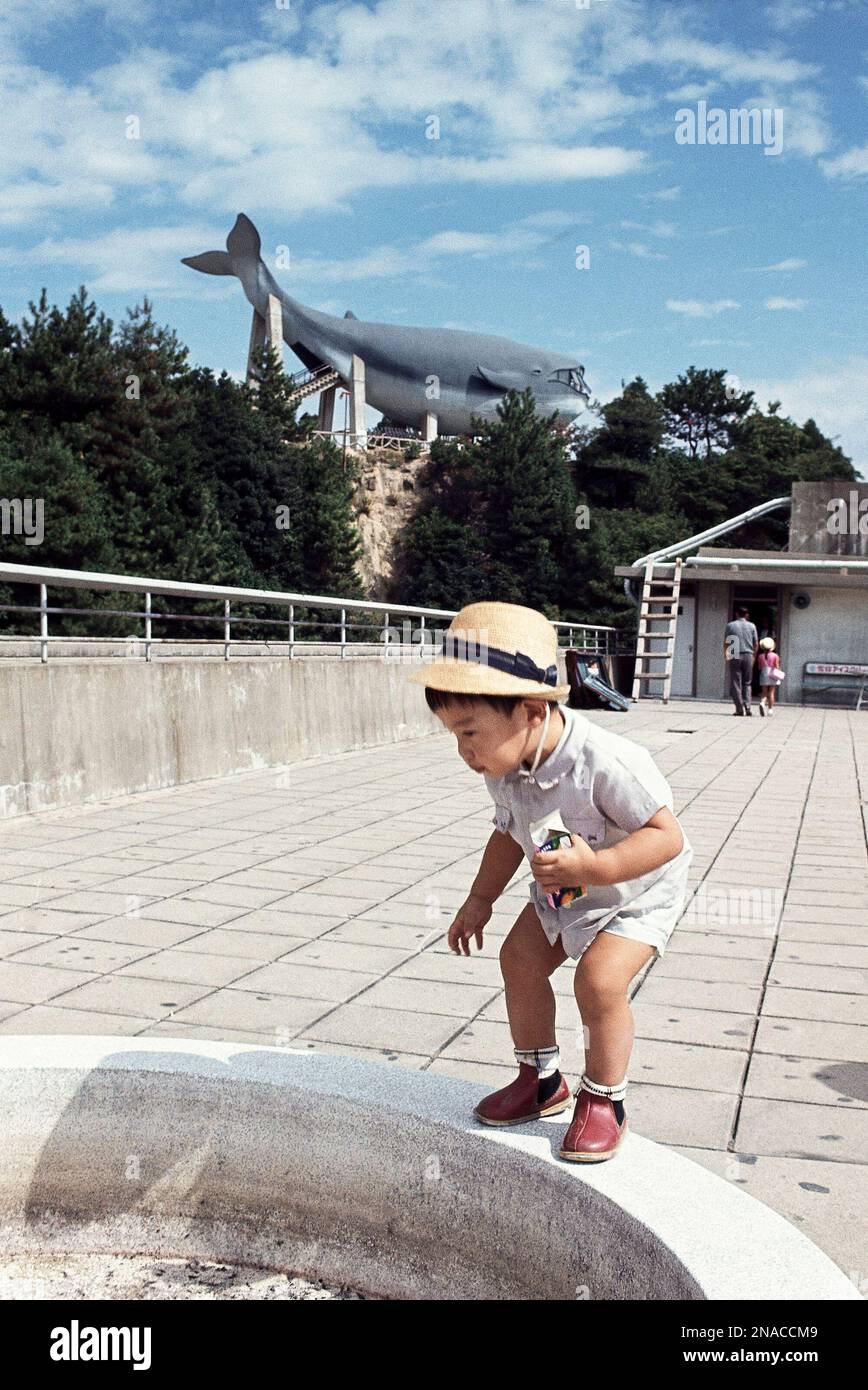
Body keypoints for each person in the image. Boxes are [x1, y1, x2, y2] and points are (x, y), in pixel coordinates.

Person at [407, 601, 693, 1163]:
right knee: (519, 959)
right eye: (453, 736)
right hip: (565, 883)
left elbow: (667, 837)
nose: (464, 752)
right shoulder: (508, 764)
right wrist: (478, 900)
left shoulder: (606, 760)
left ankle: (605, 1099)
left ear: (533, 710)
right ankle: (540, 1079)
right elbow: (507, 836)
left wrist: (599, 868)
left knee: (599, 982)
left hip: (635, 891)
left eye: (471, 732)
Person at [723, 604, 758, 716]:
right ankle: (748, 706)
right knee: (747, 682)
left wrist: (727, 656)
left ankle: (739, 708)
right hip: (748, 653)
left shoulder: (730, 625)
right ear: (746, 615)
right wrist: (754, 656)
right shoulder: (752, 626)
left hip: (734, 653)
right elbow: (756, 643)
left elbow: (727, 642)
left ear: (736, 614)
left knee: (735, 682)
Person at [757, 636, 780, 716]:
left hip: (764, 673)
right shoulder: (775, 656)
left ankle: (762, 703)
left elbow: (759, 667)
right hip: (772, 673)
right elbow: (777, 666)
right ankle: (770, 710)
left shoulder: (760, 656)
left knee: (764, 692)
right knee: (771, 692)